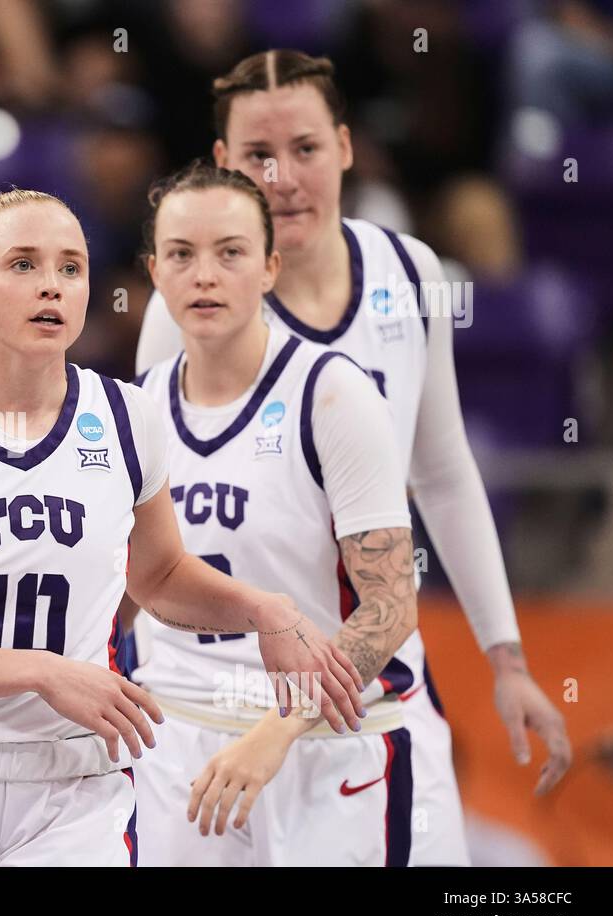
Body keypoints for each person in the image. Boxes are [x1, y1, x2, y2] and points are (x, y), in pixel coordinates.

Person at [0, 187, 365, 867]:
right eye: (23, 265)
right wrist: (41, 673)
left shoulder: (127, 418)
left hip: (74, 785)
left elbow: (161, 576)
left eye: (70, 268)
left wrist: (266, 609)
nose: (50, 285)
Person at [135, 50, 572, 864]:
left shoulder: (408, 274)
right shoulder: (184, 313)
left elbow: (441, 471)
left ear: (343, 146)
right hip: (208, 705)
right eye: (259, 157)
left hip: (360, 695)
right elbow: (152, 532)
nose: (285, 177)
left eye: (304, 148)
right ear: (224, 162)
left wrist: (505, 655)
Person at [128, 160, 418, 866]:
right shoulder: (132, 411)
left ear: (269, 267)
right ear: (154, 272)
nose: (204, 275)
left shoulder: (332, 393)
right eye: (181, 255)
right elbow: (122, 592)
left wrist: (276, 729)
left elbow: (393, 604)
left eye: (230, 252)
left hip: (320, 744)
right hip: (176, 744)